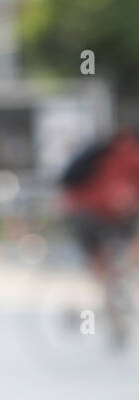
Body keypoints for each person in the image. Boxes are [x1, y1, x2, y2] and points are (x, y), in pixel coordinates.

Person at [60, 127, 139, 349]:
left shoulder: (111, 148)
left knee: (101, 273)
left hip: (76, 213)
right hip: (97, 214)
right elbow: (120, 195)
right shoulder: (129, 153)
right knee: (116, 266)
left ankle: (102, 318)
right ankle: (108, 306)